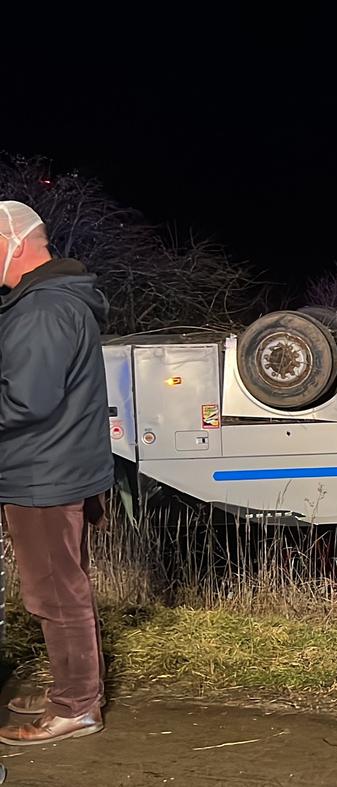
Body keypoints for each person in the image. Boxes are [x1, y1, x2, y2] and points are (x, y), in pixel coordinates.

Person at [0, 201, 112, 745]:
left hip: (42, 473)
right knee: (63, 587)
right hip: (57, 466)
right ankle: (74, 690)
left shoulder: (42, 309)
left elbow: (27, 400)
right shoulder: (51, 302)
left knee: (55, 593)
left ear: (16, 243)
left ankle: (76, 707)